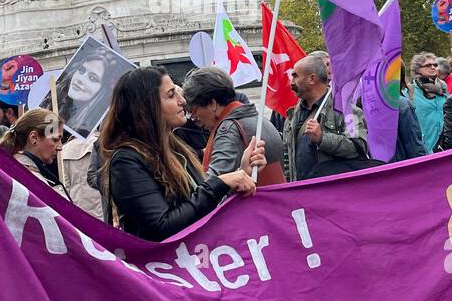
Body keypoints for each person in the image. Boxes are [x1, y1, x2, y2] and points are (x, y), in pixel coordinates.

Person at [99, 67, 263, 239]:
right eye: (171, 95)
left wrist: (241, 172)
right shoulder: (126, 161)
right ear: (147, 106)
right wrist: (219, 183)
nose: (182, 100)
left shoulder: (175, 148)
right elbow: (161, 226)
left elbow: (199, 206)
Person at [181, 66, 285, 184]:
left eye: (194, 111)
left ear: (212, 104)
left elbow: (213, 185)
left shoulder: (229, 130)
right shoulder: (259, 119)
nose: (195, 119)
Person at [282, 53, 369, 181]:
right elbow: (287, 157)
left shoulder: (348, 112)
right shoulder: (292, 116)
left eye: (295, 76)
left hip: (334, 192)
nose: (292, 81)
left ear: (312, 79)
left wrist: (322, 138)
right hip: (301, 194)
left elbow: (358, 147)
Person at [3, 109, 70, 198]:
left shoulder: (14, 169)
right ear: (34, 138)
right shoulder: (30, 180)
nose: (60, 147)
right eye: (55, 140)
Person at [408, 52, 447, 154]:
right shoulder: (409, 91)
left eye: (435, 65)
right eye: (428, 65)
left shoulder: (443, 89)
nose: (433, 67)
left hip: (443, 146)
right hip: (422, 147)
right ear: (417, 69)